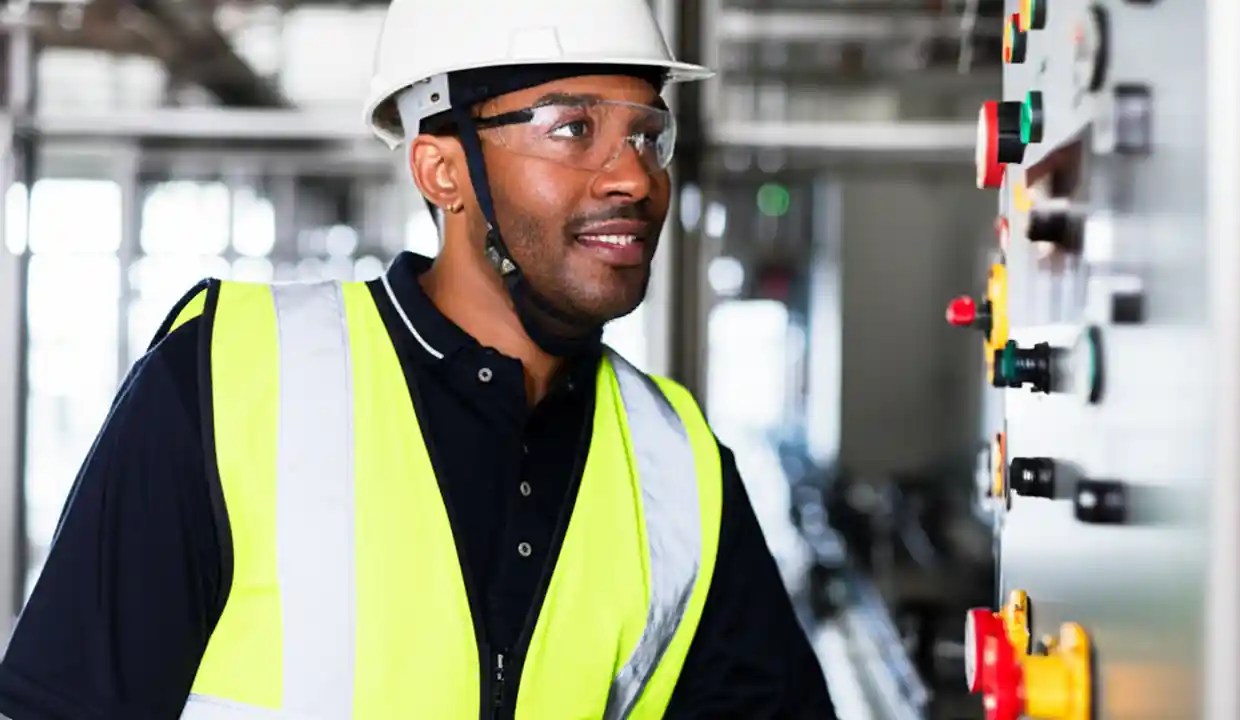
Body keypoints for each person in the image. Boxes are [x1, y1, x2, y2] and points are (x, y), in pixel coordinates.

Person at [0, 0, 836, 717]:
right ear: (441, 170)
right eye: (573, 128)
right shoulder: (228, 381)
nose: (634, 178)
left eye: (649, 135)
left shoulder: (678, 464)